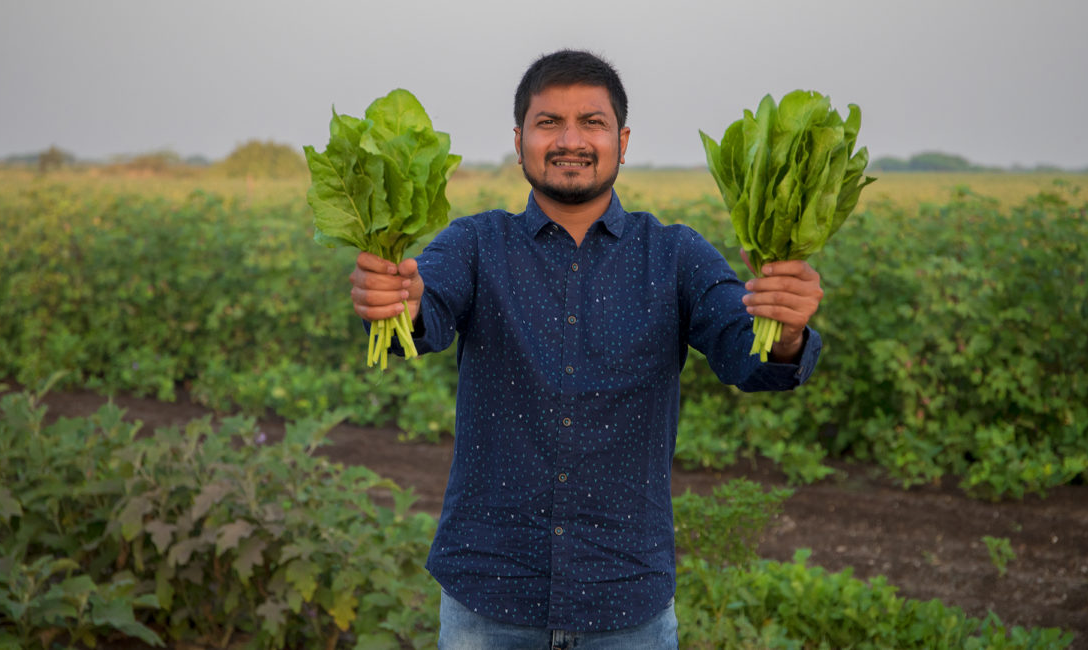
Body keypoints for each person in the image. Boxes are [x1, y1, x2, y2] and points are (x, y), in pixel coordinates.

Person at [350, 49, 824, 649]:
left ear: (622, 141)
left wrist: (784, 329)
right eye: (549, 122)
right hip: (490, 596)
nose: (569, 140)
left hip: (626, 597)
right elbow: (427, 305)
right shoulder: (475, 242)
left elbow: (745, 348)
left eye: (592, 123)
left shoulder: (675, 254)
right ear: (518, 139)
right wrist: (398, 298)